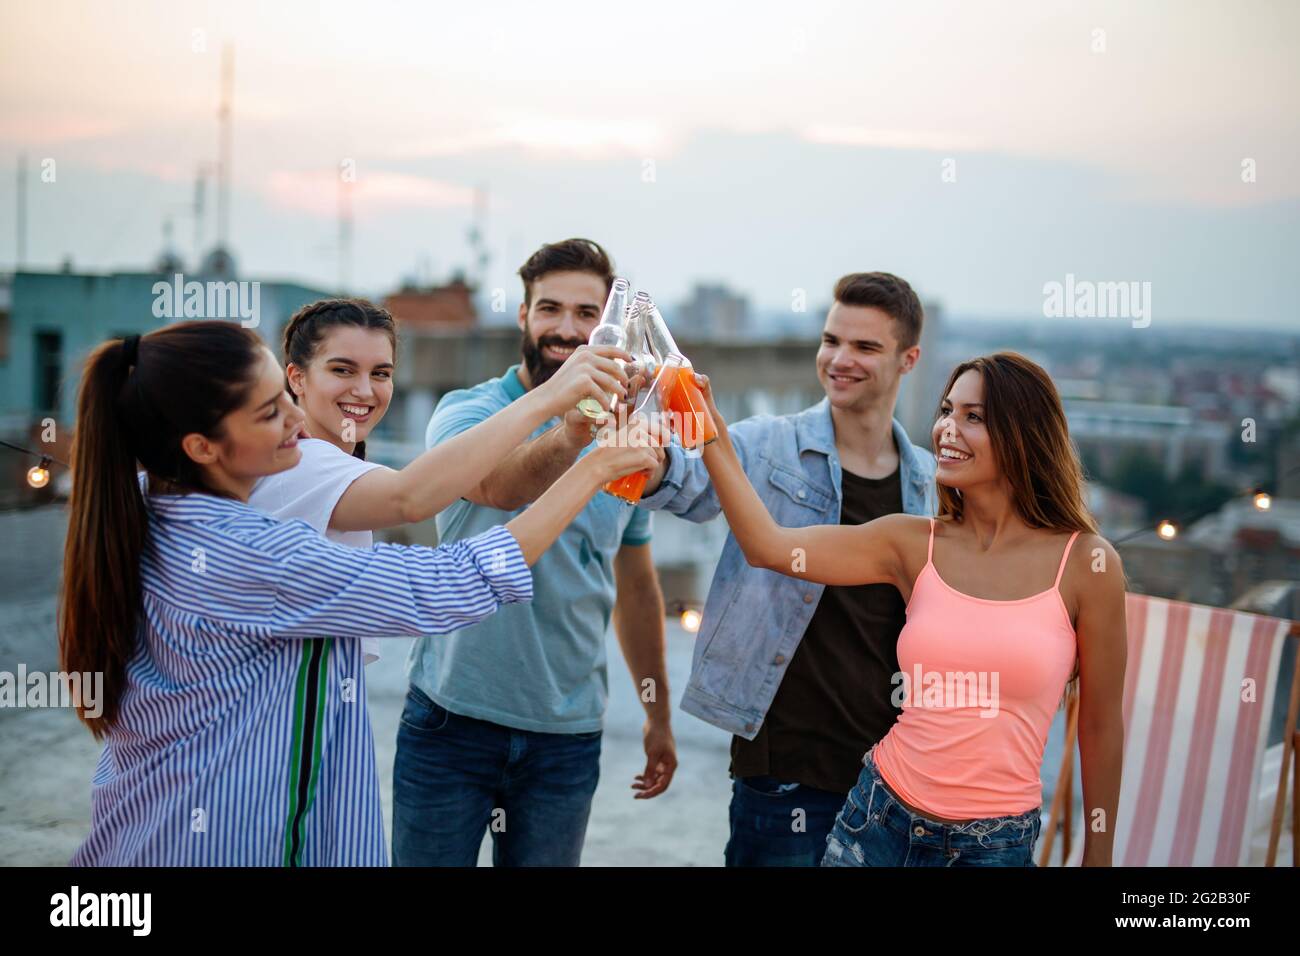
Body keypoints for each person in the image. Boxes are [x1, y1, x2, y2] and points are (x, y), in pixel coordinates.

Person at [60, 321, 660, 865]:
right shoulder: (250, 553)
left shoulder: (145, 502)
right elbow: (449, 578)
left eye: (381, 373)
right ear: (200, 447)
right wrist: (593, 466)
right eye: (270, 412)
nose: (296, 420)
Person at [690, 351, 1126, 866]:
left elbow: (1100, 725)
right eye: (946, 411)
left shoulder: (1088, 565)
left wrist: (1099, 857)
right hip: (877, 822)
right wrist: (709, 429)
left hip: (994, 846)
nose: (946, 428)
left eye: (974, 417)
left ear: (1024, 434)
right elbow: (768, 546)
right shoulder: (911, 542)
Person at [393, 238, 677, 867]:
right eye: (549, 308)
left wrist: (657, 714)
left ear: (611, 327)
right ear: (523, 316)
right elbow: (499, 485)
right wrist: (574, 429)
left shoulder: (626, 429)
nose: (568, 330)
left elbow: (635, 586)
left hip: (566, 737)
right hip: (450, 722)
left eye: (587, 314)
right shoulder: (467, 412)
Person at [636, 273, 937, 866]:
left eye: (865, 347)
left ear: (909, 360)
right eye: (831, 340)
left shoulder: (930, 484)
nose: (839, 359)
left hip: (896, 781)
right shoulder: (766, 445)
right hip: (785, 770)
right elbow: (682, 481)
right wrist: (636, 447)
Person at [247, 297, 630, 665]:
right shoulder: (301, 463)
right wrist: (553, 404)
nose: (364, 390)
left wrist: (574, 438)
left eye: (381, 373)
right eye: (342, 370)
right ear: (296, 378)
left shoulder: (321, 464)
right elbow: (409, 499)